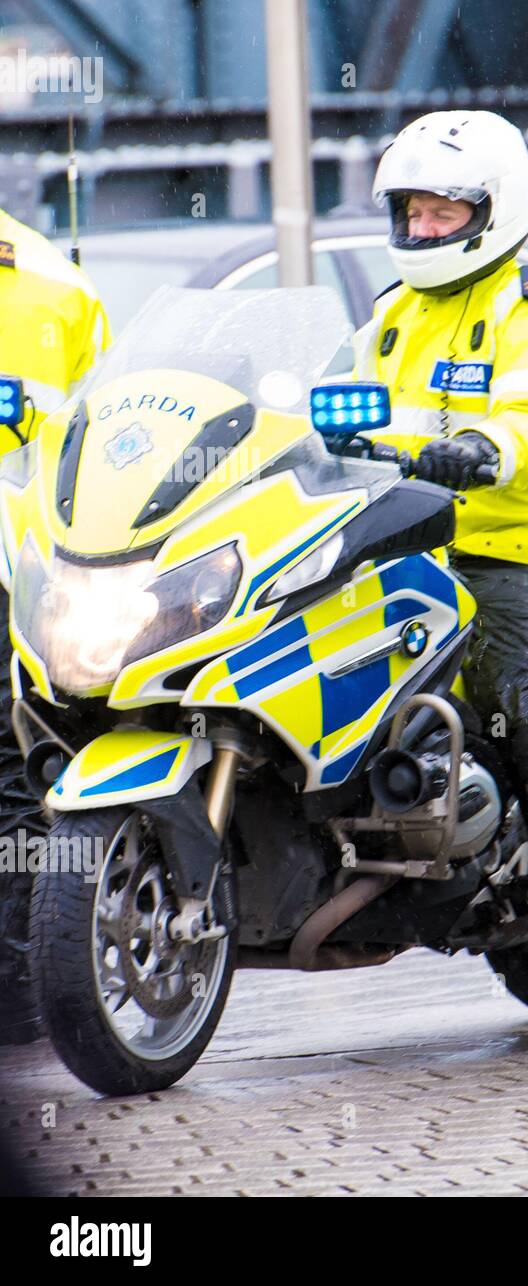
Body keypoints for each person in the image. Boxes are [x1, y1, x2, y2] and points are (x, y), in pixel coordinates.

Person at [352, 110, 528, 1046]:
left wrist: (485, 447)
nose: (425, 229)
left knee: (522, 707)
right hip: (399, 553)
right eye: (414, 212)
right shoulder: (389, 320)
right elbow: (321, 418)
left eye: (444, 211)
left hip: (517, 557)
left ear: (493, 212)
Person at [0, 205, 111, 1044]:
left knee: (16, 778)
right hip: (24, 579)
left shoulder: (56, 288)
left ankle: (15, 984)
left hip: (20, 580)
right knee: (14, 776)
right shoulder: (58, 281)